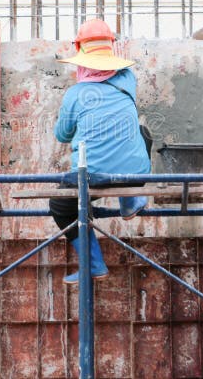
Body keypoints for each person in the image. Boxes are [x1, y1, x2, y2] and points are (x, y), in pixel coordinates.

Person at [52, 19, 151, 284]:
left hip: (94, 179)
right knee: (142, 134)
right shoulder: (128, 80)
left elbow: (61, 135)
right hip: (137, 175)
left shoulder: (76, 94)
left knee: (61, 206)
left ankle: (94, 266)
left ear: (82, 57)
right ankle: (130, 202)